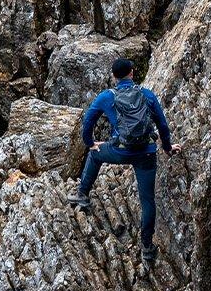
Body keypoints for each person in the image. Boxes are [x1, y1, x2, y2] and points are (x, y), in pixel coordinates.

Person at [69, 57, 174, 263]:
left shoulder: (107, 96)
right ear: (132, 73)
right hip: (146, 153)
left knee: (95, 154)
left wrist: (90, 143)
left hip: (121, 151)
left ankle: (82, 194)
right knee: (147, 201)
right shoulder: (147, 94)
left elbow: (88, 121)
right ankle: (147, 247)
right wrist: (168, 147)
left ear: (113, 76)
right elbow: (162, 124)